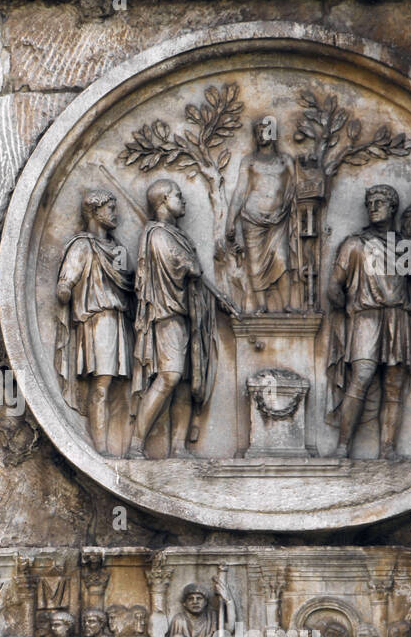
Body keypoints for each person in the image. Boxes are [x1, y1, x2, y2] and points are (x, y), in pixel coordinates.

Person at [129, 179, 236, 459]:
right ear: (164, 200)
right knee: (169, 376)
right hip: (167, 315)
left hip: (189, 316)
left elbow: (195, 275)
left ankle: (178, 448)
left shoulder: (178, 236)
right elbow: (173, 264)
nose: (184, 200)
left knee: (188, 382)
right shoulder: (156, 234)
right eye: (178, 195)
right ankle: (135, 444)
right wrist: (187, 265)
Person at [326, 184, 411, 459]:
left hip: (398, 317)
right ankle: (343, 446)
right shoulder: (354, 244)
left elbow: (408, 280)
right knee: (362, 377)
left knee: (393, 385)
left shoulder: (406, 247)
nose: (373, 206)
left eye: (380, 202)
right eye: (370, 202)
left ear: (393, 207)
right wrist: (346, 309)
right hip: (366, 316)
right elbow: (333, 285)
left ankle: (388, 448)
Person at [55, 189, 134, 453]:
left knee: (116, 385)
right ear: (94, 211)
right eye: (110, 208)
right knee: (102, 383)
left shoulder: (118, 248)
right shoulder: (82, 245)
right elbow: (67, 279)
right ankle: (100, 447)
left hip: (119, 318)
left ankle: (118, 442)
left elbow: (127, 280)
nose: (115, 213)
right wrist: (65, 288)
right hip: (98, 319)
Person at [225, 119, 300, 312]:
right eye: (257, 131)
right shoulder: (249, 161)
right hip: (252, 217)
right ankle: (261, 306)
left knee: (282, 259)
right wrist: (230, 221)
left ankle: (287, 305)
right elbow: (240, 192)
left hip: (278, 219)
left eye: (265, 130)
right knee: (255, 262)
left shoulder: (285, 160)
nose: (260, 134)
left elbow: (297, 186)